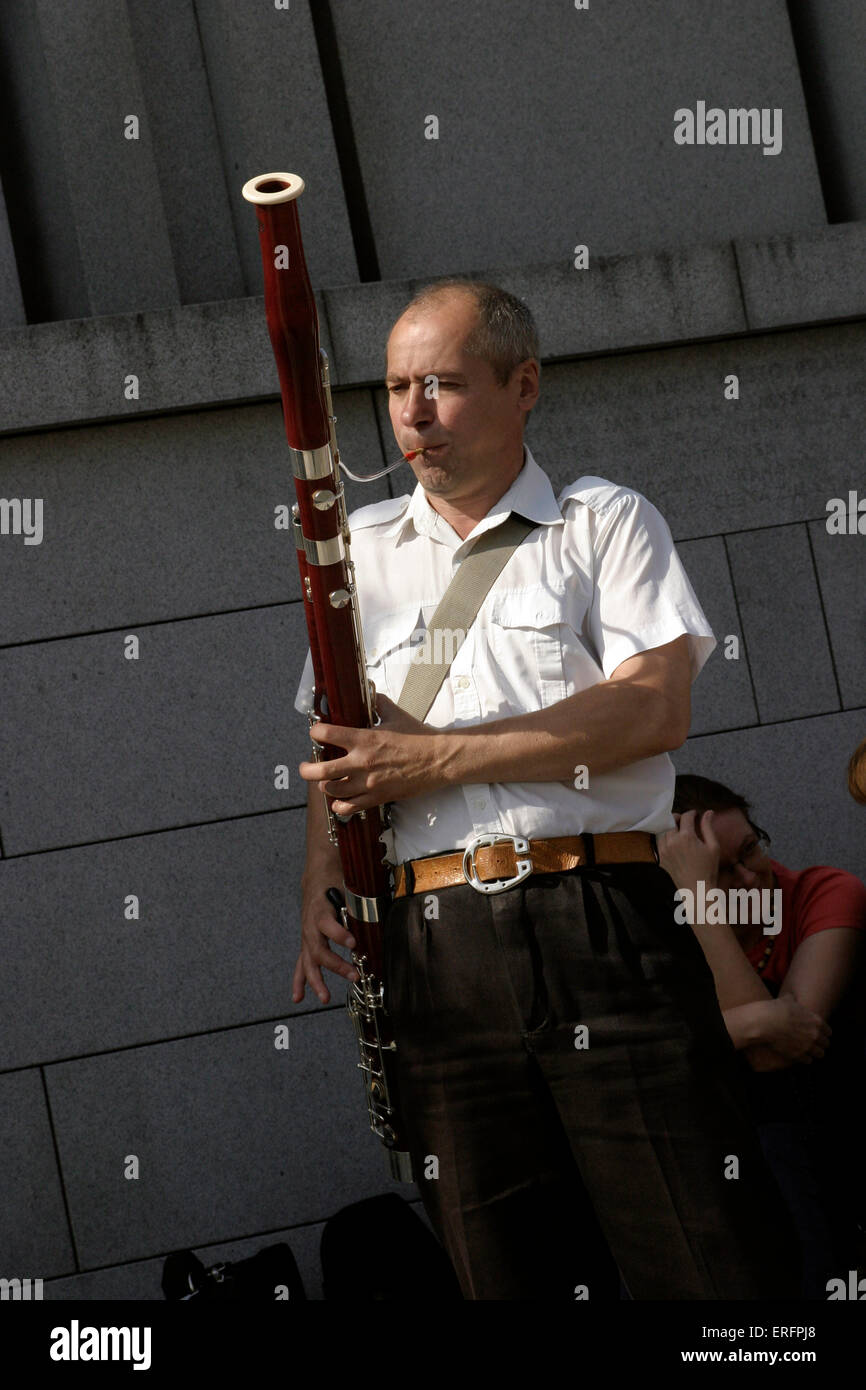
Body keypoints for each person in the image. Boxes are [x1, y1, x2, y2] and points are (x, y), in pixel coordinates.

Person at [291, 278, 800, 1300]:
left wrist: (435, 758)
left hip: (598, 918)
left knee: (705, 1257)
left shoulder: (600, 522)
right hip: (432, 946)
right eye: (395, 387)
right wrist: (316, 882)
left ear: (523, 385)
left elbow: (649, 712)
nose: (411, 414)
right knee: (504, 1270)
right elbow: (344, 743)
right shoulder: (357, 550)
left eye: (441, 383)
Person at [657, 774, 866, 1296]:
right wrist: (750, 1022)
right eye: (719, 873)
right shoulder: (664, 946)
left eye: (750, 850)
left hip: (832, 1132)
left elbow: (776, 1057)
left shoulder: (822, 892)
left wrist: (726, 1036)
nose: (750, 880)